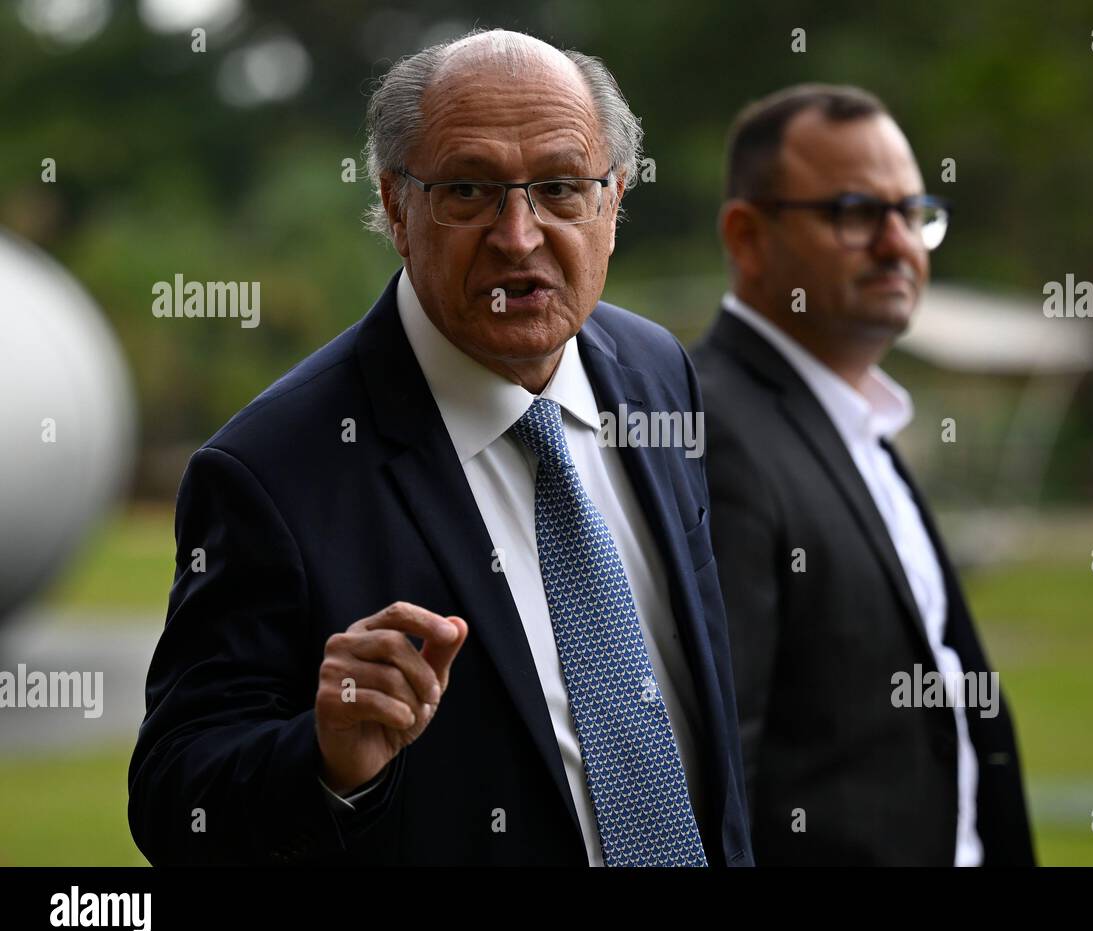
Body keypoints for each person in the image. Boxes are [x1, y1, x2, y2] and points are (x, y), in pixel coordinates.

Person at [128, 28, 753, 867]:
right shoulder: (270, 474)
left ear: (615, 199)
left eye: (562, 187)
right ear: (394, 205)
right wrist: (324, 760)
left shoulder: (656, 373)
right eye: (468, 190)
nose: (519, 236)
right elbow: (176, 795)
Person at [692, 84, 1034, 865]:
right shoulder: (711, 430)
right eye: (854, 212)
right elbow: (718, 766)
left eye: (913, 213)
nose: (897, 243)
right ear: (747, 237)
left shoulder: (863, 424)